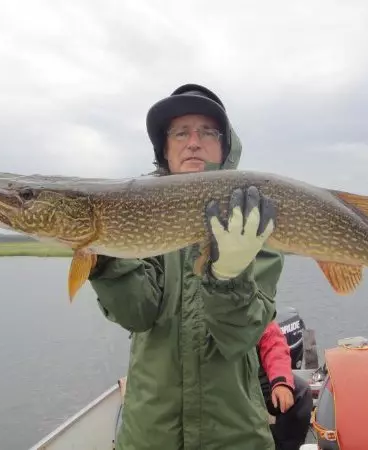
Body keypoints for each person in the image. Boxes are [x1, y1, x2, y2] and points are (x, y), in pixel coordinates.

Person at [88, 83, 285, 450]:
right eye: (181, 132)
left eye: (207, 131)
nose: (193, 141)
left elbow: (240, 334)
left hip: (235, 436)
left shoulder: (258, 219)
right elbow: (138, 313)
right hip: (150, 436)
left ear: (225, 147)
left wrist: (228, 277)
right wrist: (104, 259)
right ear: (164, 149)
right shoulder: (139, 219)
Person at [258, 320, 314, 450]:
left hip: (254, 376)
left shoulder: (254, 307)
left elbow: (273, 343)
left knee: (300, 393)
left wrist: (280, 381)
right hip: (222, 381)